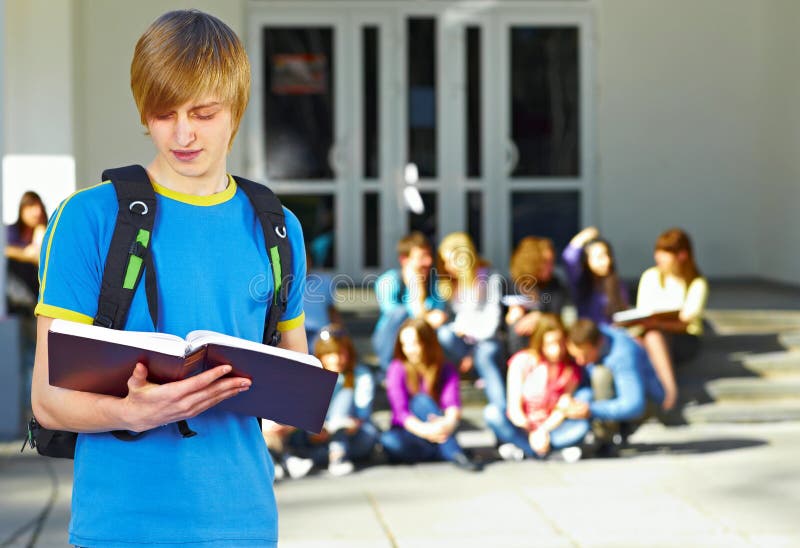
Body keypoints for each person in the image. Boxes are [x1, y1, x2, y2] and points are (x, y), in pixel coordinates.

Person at [31, 10, 307, 547]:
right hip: (121, 529)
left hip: (244, 524)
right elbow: (46, 399)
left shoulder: (278, 228)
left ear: (236, 108)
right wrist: (131, 411)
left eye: (203, 113)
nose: (182, 133)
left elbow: (293, 387)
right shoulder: (88, 219)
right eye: (163, 114)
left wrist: (291, 398)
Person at [380, 318, 482, 472]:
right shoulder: (397, 369)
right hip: (411, 431)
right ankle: (445, 451)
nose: (409, 349)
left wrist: (447, 424)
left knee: (422, 401)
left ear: (427, 342)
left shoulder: (445, 368)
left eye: (414, 343)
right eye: (405, 344)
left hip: (440, 426)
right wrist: (427, 431)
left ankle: (452, 452)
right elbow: (401, 412)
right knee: (389, 441)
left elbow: (452, 404)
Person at [485, 314, 588, 462]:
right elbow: (514, 408)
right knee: (493, 414)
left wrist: (543, 430)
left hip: (551, 427)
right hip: (524, 426)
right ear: (540, 342)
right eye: (551, 344)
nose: (557, 350)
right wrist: (531, 431)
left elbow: (562, 407)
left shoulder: (569, 369)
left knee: (581, 427)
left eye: (560, 343)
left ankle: (526, 451)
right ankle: (545, 453)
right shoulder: (522, 361)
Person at [282, 324, 379, 476]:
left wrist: (350, 424)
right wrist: (313, 430)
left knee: (369, 433)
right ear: (320, 355)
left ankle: (330, 453)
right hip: (315, 434)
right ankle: (336, 455)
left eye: (341, 353)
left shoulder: (361, 375)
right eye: (329, 354)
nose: (336, 360)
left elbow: (363, 414)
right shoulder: (311, 376)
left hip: (349, 431)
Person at [565, 319, 665, 455]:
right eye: (576, 356)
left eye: (585, 356)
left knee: (600, 375)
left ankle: (606, 437)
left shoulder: (622, 353)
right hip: (614, 397)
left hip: (646, 400)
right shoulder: (593, 336)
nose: (580, 362)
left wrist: (590, 409)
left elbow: (634, 405)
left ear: (599, 344)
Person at [436, 232, 506, 411]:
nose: (447, 266)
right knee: (444, 335)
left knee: (485, 355)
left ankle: (501, 410)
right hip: (464, 342)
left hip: (487, 340)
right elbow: (458, 320)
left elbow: (493, 318)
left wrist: (472, 349)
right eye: (445, 261)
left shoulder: (490, 278)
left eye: (451, 261)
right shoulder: (452, 283)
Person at [371, 232, 447, 371]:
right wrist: (416, 292)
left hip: (424, 338)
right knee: (400, 313)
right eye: (422, 257)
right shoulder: (388, 281)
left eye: (429, 255)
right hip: (391, 339)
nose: (428, 262)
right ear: (404, 259)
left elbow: (439, 316)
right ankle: (388, 371)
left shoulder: (435, 282)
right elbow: (392, 314)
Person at [5, 191, 48, 411]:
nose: (36, 212)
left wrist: (40, 234)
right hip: (17, 310)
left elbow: (42, 257)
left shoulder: (48, 231)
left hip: (42, 309)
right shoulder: (11, 233)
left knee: (39, 363)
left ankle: (36, 415)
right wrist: (26, 255)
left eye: (38, 206)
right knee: (22, 364)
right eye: (30, 207)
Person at [505, 236, 568, 354]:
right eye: (545, 263)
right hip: (518, 333)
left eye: (551, 262)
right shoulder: (514, 283)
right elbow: (502, 309)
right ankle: (518, 361)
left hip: (545, 330)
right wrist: (511, 313)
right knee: (515, 325)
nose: (550, 267)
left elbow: (557, 313)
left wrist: (538, 316)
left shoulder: (555, 284)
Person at [562, 227, 629, 325]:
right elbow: (569, 257)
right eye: (600, 257)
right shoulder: (581, 284)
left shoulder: (617, 284)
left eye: (608, 255)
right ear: (587, 261)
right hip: (591, 336)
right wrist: (585, 236)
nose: (607, 261)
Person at [303, 248, 341, 345]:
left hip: (321, 333)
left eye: (306, 258)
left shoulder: (325, 281)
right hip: (295, 332)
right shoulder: (285, 282)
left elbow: (331, 309)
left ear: (311, 260)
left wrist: (340, 330)